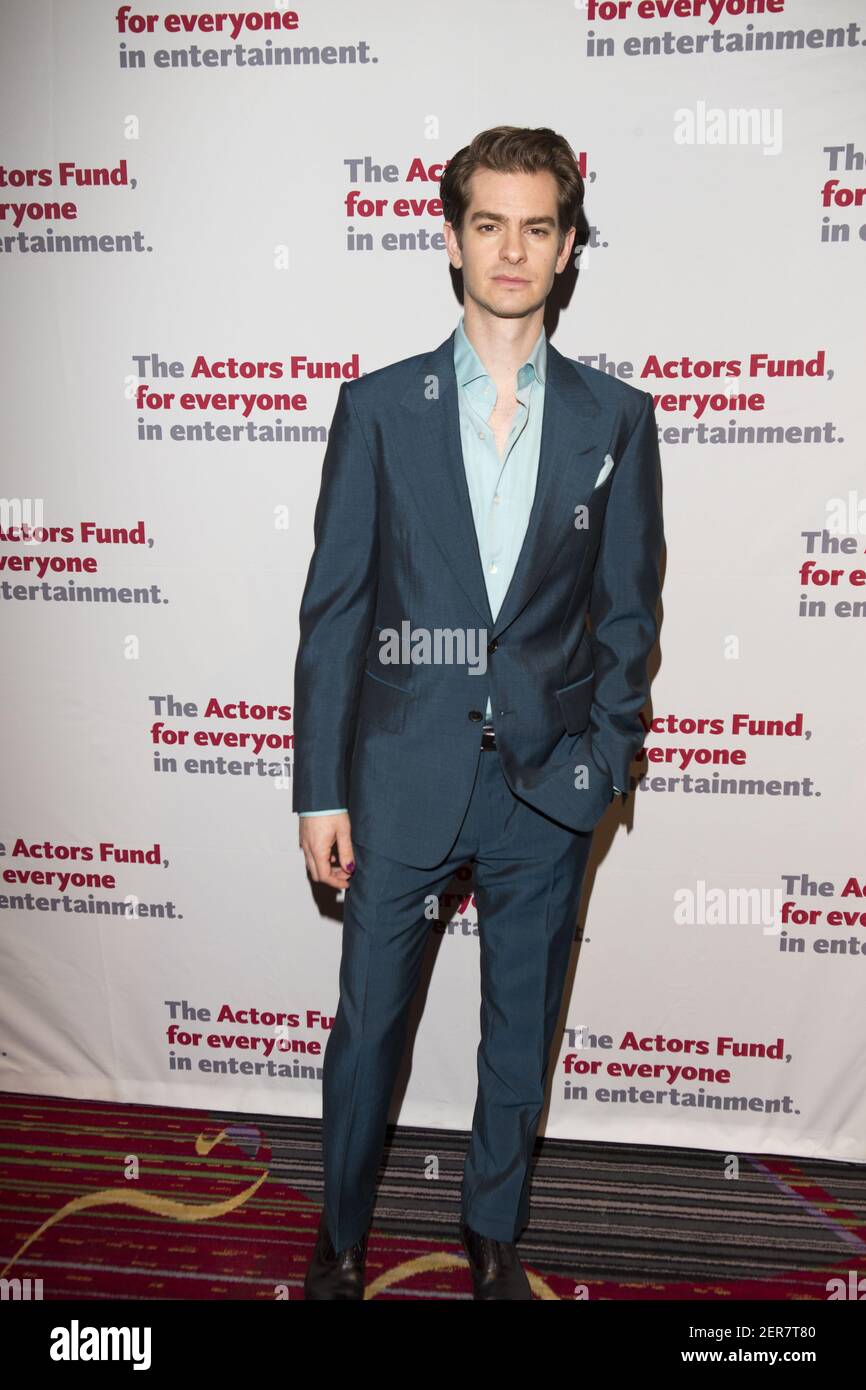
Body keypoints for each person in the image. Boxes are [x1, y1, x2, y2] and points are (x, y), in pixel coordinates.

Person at [293, 125, 664, 1300]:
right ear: (450, 238)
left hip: (546, 787)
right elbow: (337, 614)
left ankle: (492, 1234)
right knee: (368, 1029)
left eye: (537, 227)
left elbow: (626, 616)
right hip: (399, 775)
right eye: (489, 223)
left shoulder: (617, 420)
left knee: (520, 1032)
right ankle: (340, 1238)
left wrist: (603, 765)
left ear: (567, 248)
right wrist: (320, 787)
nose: (512, 249)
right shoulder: (376, 410)